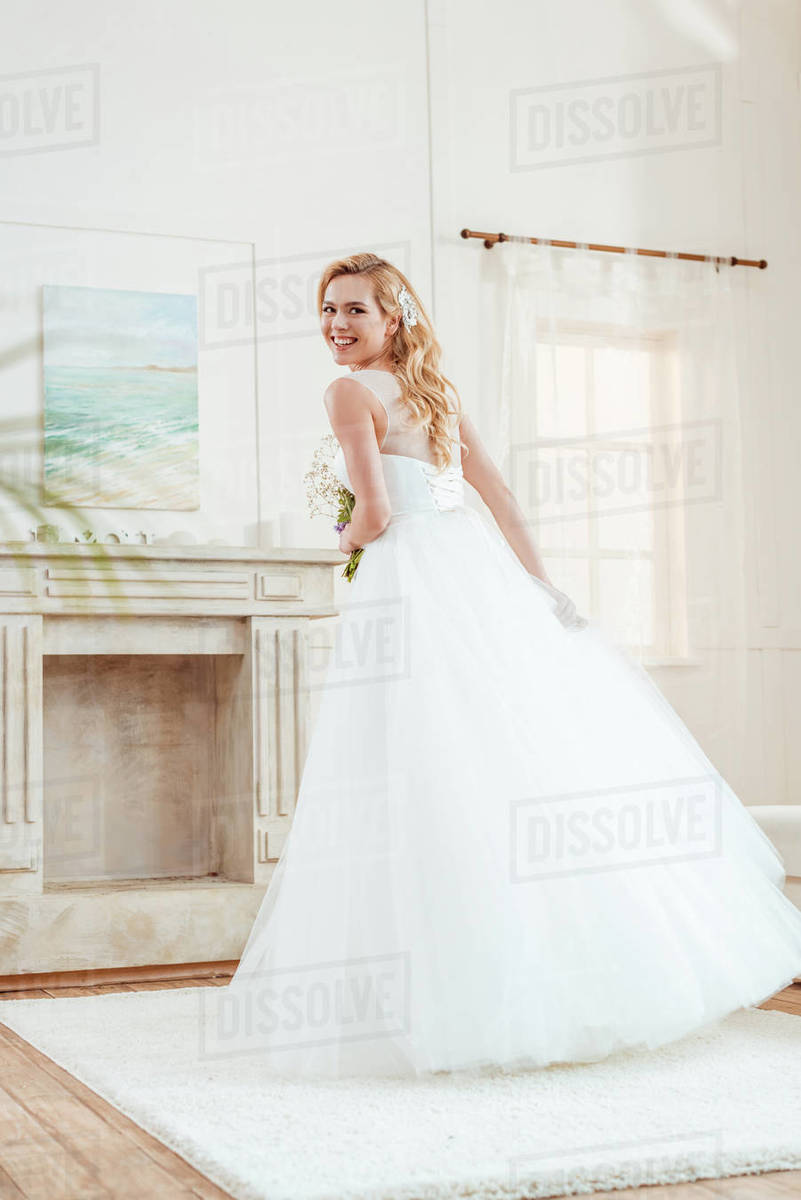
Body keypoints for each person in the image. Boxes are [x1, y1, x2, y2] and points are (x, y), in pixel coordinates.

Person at [218, 253, 801, 1080]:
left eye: (352, 310)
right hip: (473, 578)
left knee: (415, 765)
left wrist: (343, 537)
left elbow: (378, 515)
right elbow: (496, 495)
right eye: (326, 311)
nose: (336, 326)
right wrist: (538, 587)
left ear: (393, 318)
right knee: (509, 756)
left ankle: (431, 990)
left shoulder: (348, 394)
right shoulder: (436, 394)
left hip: (409, 589)